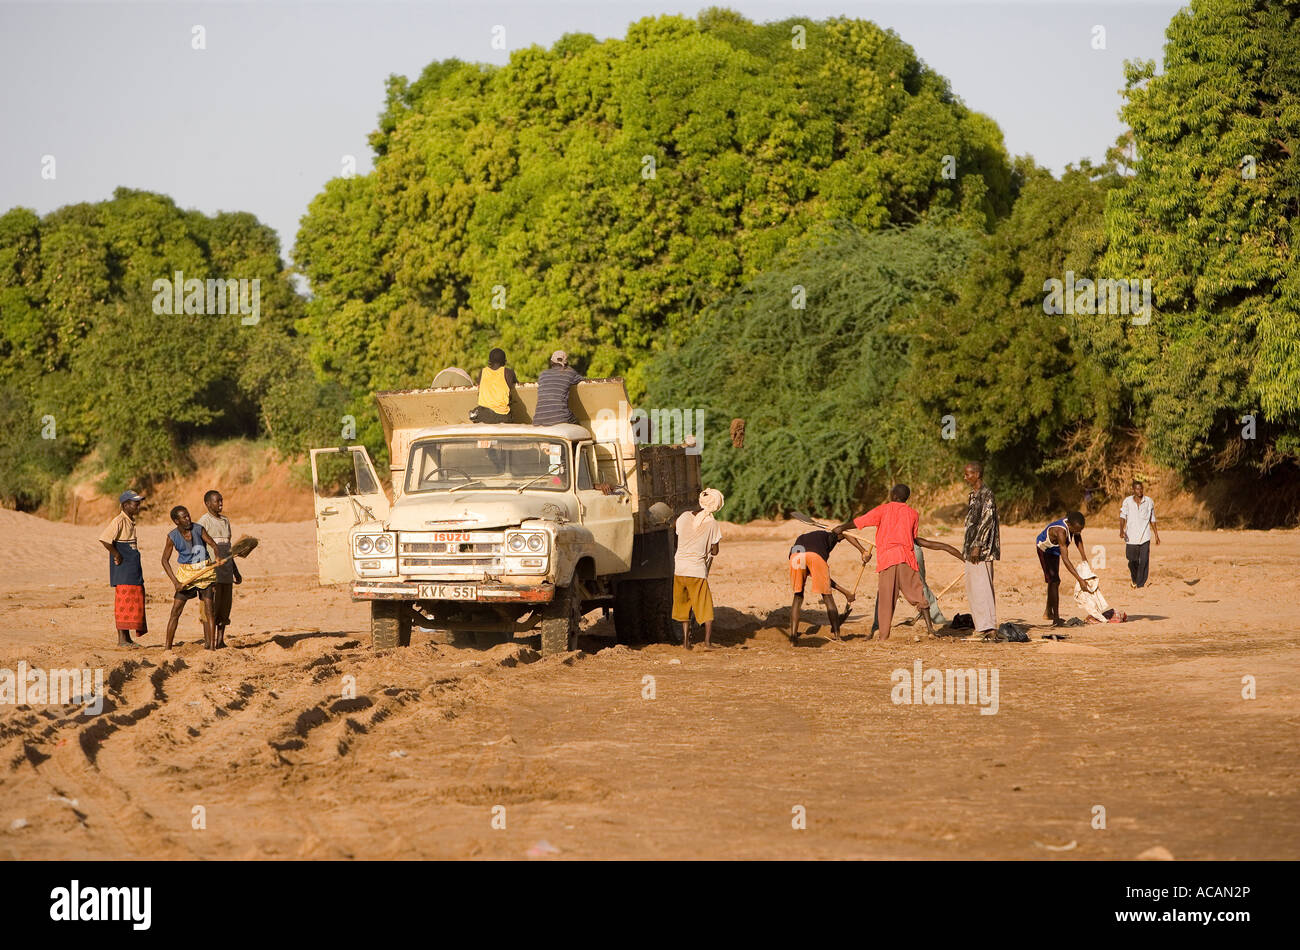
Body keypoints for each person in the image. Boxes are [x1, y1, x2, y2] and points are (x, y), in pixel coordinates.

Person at [840, 485, 961, 642]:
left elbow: (860, 522)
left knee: (886, 598)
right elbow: (913, 537)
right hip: (906, 558)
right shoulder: (913, 514)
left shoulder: (883, 509)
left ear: (894, 495)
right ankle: (931, 630)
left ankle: (883, 636)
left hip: (888, 559)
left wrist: (842, 527)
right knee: (918, 593)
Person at [789, 525, 871, 643]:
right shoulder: (829, 537)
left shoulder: (809, 537)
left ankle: (793, 638)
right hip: (814, 555)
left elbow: (824, 579)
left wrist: (845, 593)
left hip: (796, 553)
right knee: (827, 596)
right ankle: (837, 636)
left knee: (798, 596)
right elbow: (845, 531)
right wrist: (863, 551)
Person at [161, 505, 220, 650]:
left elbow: (213, 544)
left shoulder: (198, 529)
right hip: (186, 574)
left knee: (209, 610)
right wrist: (175, 582)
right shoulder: (172, 536)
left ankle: (212, 648)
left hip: (204, 571)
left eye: (188, 515)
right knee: (175, 611)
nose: (188, 519)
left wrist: (217, 557)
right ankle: (167, 648)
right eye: (184, 517)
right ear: (176, 521)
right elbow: (164, 560)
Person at [672, 488, 724, 649]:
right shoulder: (712, 524)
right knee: (705, 606)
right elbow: (715, 551)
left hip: (679, 569)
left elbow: (678, 532)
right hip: (696, 571)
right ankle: (707, 642)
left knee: (683, 606)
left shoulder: (684, 516)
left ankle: (686, 642)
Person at [97, 490, 148, 647]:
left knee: (134, 600)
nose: (138, 506)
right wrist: (116, 554)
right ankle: (122, 640)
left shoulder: (130, 521)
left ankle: (127, 639)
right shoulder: (119, 521)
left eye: (139, 503)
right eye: (135, 503)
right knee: (123, 602)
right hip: (123, 569)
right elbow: (105, 539)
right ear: (125, 505)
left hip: (132, 568)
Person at [871, 540, 946, 637]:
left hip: (902, 551)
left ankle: (935, 620)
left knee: (915, 588)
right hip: (903, 550)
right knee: (919, 587)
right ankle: (933, 624)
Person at [961, 462, 1000, 639]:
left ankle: (989, 626)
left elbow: (987, 522)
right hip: (970, 548)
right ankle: (981, 626)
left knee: (983, 586)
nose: (965, 477)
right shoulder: (973, 495)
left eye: (968, 474)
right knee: (974, 587)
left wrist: (977, 545)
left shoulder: (987, 495)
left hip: (981, 550)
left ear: (977, 474)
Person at [198, 490, 241, 649]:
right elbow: (199, 548)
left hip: (226, 572)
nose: (221, 504)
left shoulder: (225, 521)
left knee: (224, 607)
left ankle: (220, 640)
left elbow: (229, 550)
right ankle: (209, 641)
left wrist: (235, 571)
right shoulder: (204, 521)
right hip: (211, 573)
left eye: (222, 501)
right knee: (209, 609)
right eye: (217, 501)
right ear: (208, 503)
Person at [1036, 511, 1088, 625]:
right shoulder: (1061, 531)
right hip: (1044, 549)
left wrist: (1084, 557)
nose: (1078, 532)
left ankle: (1048, 612)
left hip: (1054, 550)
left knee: (1054, 581)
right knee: (1054, 581)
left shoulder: (1074, 526)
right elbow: (1065, 558)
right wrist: (1079, 579)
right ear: (1069, 526)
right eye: (1076, 530)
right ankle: (1056, 618)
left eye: (1081, 530)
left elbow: (1077, 538)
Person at [1119, 480, 1160, 588]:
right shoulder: (1127, 501)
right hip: (1131, 536)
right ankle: (1135, 578)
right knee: (1132, 560)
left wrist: (1156, 534)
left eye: (1141, 488)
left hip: (1145, 536)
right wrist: (1121, 530)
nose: (1140, 490)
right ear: (1133, 489)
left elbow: (1152, 518)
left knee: (1144, 560)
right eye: (1137, 488)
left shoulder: (1149, 501)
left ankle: (1140, 584)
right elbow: (1122, 516)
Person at [533, 350, 584, 426]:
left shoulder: (542, 375)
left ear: (551, 362)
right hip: (561, 418)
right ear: (566, 363)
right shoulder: (570, 372)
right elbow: (583, 380)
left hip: (538, 421)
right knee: (579, 427)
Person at [471, 348, 518, 423]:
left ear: (489, 362)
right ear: (505, 361)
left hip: (484, 416)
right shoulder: (508, 372)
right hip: (502, 416)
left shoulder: (482, 372)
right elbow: (516, 385)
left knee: (476, 412)